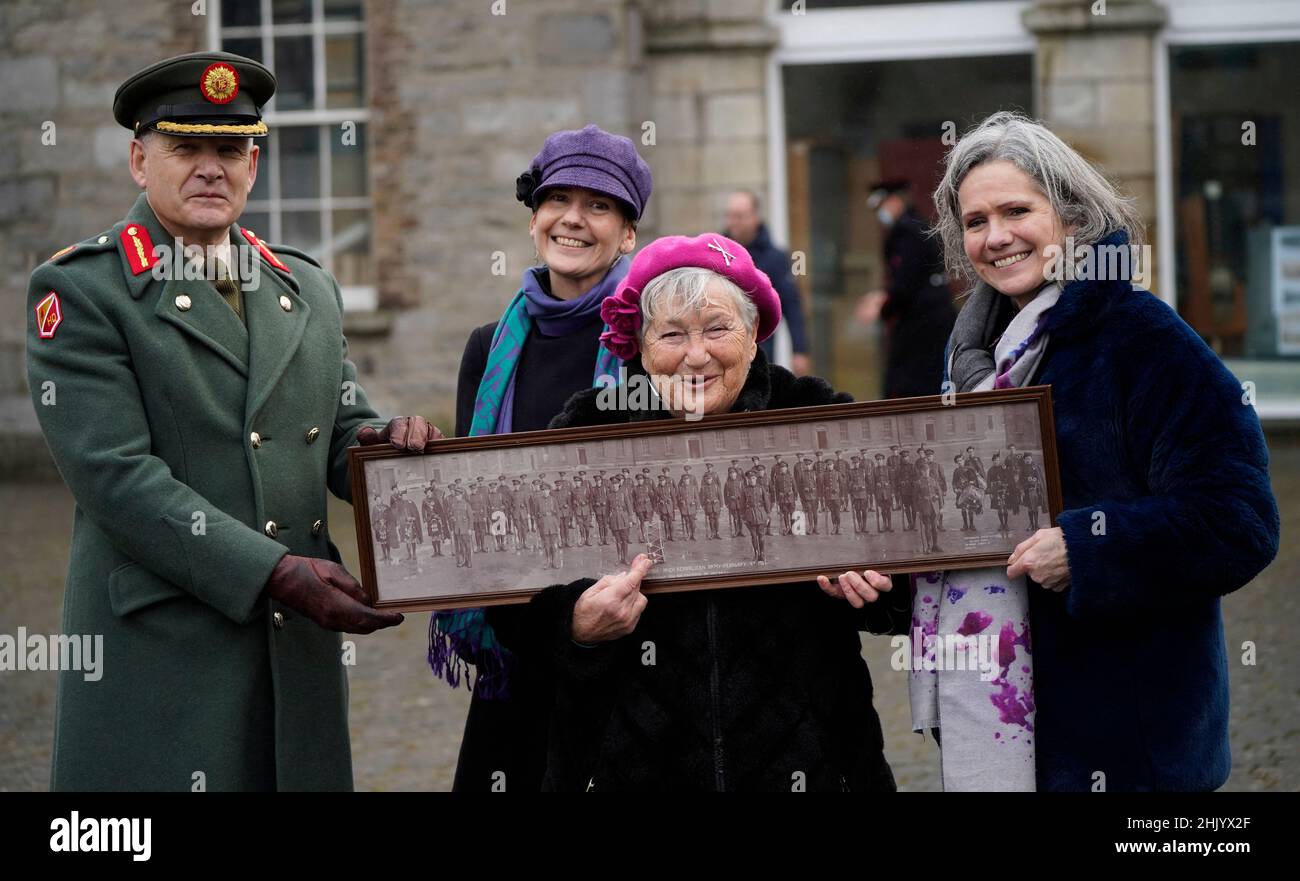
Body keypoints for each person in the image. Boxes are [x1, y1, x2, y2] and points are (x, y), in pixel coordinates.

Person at [25, 51, 439, 791]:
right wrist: (273, 571)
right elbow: (117, 479)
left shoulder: (305, 285)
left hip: (295, 649)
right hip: (170, 654)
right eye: (185, 148)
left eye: (230, 149)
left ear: (253, 165)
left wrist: (382, 448)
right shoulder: (84, 291)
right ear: (139, 161)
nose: (210, 168)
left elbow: (338, 425)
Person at [914, 110, 1279, 791]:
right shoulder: (971, 356)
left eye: (1017, 210)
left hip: (1133, 745)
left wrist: (1087, 549)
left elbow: (1240, 520)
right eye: (975, 221)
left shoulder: (1144, 337)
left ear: (1072, 216)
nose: (996, 237)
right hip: (1010, 730)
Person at [502, 233, 910, 790]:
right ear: (640, 346)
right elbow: (511, 606)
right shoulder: (588, 431)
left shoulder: (818, 418)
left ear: (753, 334)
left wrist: (878, 585)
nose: (696, 356)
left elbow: (909, 577)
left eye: (717, 329)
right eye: (672, 334)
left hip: (812, 765)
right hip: (627, 768)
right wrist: (574, 622)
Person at [442, 124, 653, 792]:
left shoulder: (654, 341)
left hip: (631, 647)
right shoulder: (489, 348)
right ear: (534, 220)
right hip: (521, 644)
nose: (573, 218)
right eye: (557, 199)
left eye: (599, 205)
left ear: (628, 234)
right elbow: (473, 503)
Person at [855, 180, 957, 398]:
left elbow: (904, 283)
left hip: (921, 323)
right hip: (932, 318)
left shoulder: (906, 232)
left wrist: (882, 307)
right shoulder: (919, 226)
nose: (880, 213)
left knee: (909, 386)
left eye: (881, 206)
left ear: (894, 202)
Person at [723, 190, 811, 375]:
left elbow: (792, 305)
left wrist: (800, 349)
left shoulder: (776, 258)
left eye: (739, 216)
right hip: (722, 350)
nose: (733, 222)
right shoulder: (715, 253)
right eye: (730, 216)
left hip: (760, 353)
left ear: (755, 218)